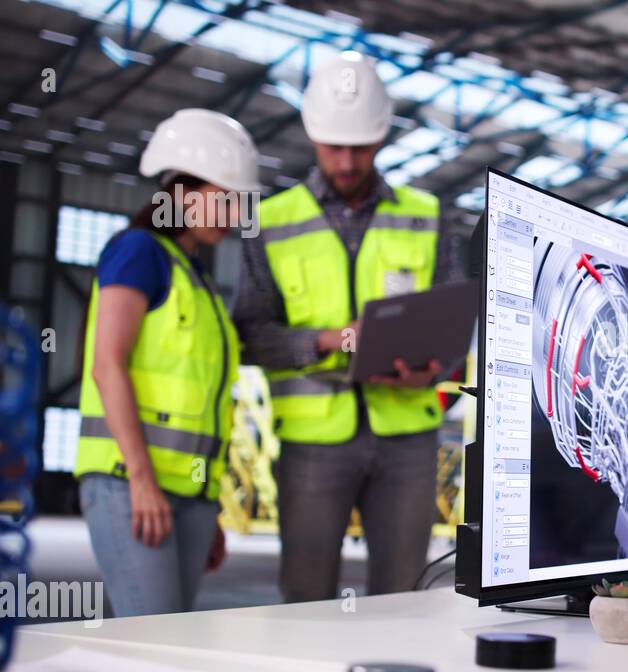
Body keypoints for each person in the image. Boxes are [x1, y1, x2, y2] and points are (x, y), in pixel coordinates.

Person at [233, 51, 448, 602]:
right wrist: (331, 339)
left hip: (408, 436)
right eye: (335, 147)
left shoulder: (426, 215)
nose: (348, 161)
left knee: (403, 596)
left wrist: (428, 371)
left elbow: (453, 320)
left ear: (381, 138)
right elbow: (251, 334)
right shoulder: (272, 221)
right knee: (306, 599)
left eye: (360, 147)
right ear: (312, 136)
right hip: (313, 442)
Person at [75, 109, 259, 616]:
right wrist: (141, 481)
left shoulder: (194, 278)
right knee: (151, 641)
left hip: (187, 495)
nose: (231, 214)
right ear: (181, 191)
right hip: (129, 483)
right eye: (223, 199)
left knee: (171, 641)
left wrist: (207, 505)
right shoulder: (138, 252)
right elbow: (106, 365)